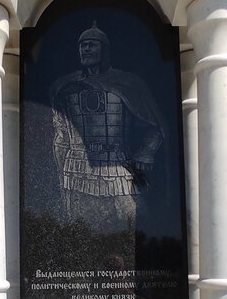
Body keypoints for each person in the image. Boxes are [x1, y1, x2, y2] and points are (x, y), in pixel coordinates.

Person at [49, 22, 164, 230]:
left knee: (131, 226)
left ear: (105, 49)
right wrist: (60, 172)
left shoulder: (128, 83)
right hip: (76, 169)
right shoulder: (64, 87)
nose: (86, 49)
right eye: (83, 46)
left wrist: (146, 152)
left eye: (92, 45)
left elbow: (155, 127)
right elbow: (61, 134)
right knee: (81, 231)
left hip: (118, 166)